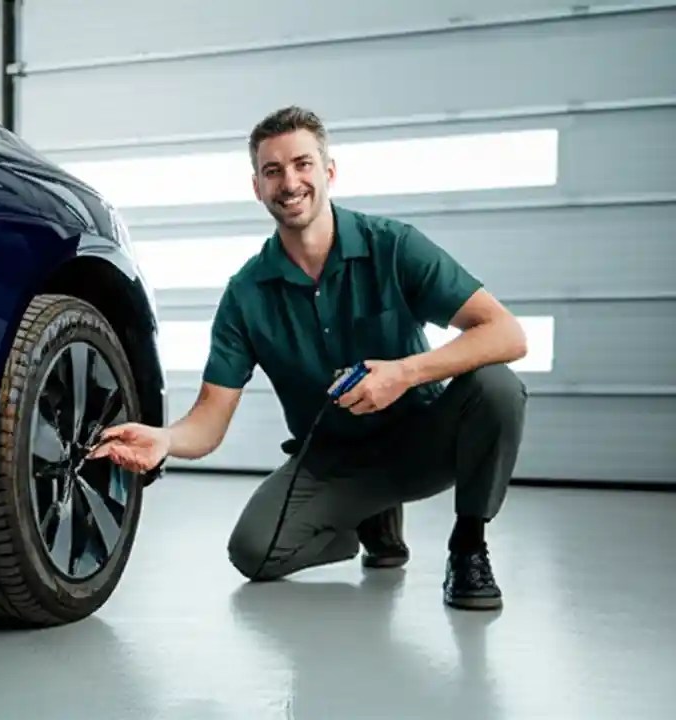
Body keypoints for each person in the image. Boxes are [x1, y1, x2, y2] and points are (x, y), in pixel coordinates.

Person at [88, 106, 529, 610]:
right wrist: (164, 439)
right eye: (272, 171)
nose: (289, 182)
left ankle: (469, 545)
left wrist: (405, 373)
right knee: (254, 552)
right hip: (334, 462)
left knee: (496, 386)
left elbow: (507, 333)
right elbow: (209, 421)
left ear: (329, 172)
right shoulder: (246, 294)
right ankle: (368, 517)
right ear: (257, 186)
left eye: (302, 164)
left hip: (423, 440)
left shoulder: (394, 246)